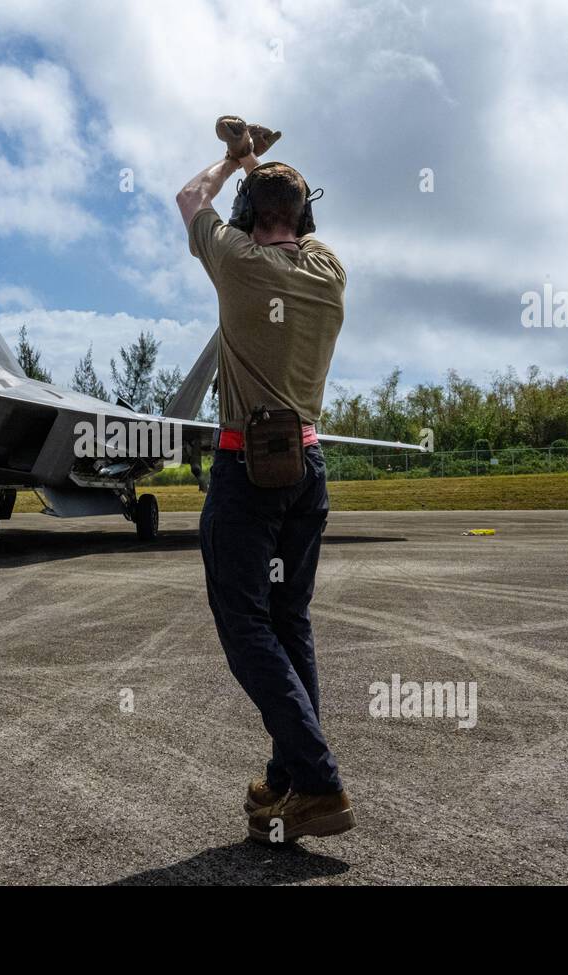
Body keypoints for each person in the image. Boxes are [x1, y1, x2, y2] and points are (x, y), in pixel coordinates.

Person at [175, 116, 356, 844]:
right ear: (307, 218)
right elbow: (290, 218)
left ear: (248, 218)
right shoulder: (329, 271)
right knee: (290, 622)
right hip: (308, 468)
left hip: (245, 468)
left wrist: (228, 162)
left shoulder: (238, 262)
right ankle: (286, 781)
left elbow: (190, 196)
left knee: (246, 625)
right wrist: (257, 165)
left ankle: (317, 777)